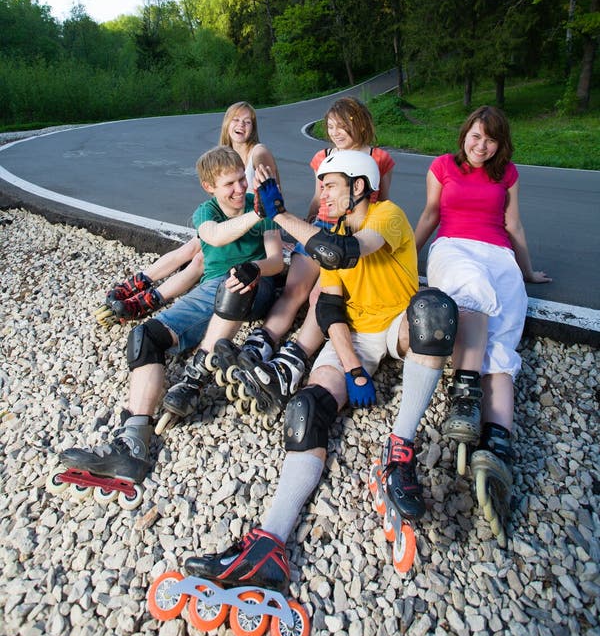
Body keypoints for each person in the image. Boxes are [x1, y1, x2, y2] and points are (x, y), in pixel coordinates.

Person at [182, 150, 457, 589]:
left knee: (435, 311)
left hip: (397, 322)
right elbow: (329, 307)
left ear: (360, 188)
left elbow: (344, 252)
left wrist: (282, 215)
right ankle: (269, 541)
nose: (322, 193)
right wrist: (352, 365)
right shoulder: (332, 228)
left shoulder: (386, 216)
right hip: (358, 333)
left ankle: (398, 450)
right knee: (305, 410)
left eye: (330, 185)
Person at [57, 146, 283, 496]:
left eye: (242, 180)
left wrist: (254, 266)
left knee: (233, 285)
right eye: (230, 185)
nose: (240, 189)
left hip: (256, 285)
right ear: (210, 187)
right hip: (212, 288)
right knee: (144, 338)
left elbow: (276, 261)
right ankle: (132, 442)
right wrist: (256, 214)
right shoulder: (206, 213)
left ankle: (195, 378)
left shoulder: (259, 202)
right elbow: (216, 236)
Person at [413, 105, 551, 544]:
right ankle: (465, 398)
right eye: (475, 136)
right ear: (464, 135)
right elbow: (432, 215)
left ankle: (497, 447)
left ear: (499, 143)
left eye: (490, 139)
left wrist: (526, 270)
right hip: (452, 247)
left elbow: (513, 225)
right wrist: (406, 259)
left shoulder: (506, 175)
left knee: (505, 337)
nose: (481, 145)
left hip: (499, 256)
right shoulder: (441, 167)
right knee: (470, 293)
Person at [213, 97, 395, 419]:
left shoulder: (379, 158)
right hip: (320, 227)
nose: (336, 132)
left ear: (360, 122)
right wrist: (302, 227)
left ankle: (290, 362)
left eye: (343, 125)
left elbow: (382, 203)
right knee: (294, 289)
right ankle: (259, 345)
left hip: (353, 233)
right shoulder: (323, 156)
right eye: (331, 126)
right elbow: (317, 199)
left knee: (320, 297)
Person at [96, 101, 279, 323]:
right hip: (231, 218)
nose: (241, 125)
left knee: (199, 253)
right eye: (236, 119)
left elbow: (271, 192)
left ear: (254, 127)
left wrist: (266, 214)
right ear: (227, 123)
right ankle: (140, 285)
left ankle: (147, 297)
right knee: (197, 249)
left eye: (247, 121)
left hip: (252, 220)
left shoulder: (257, 151)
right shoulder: (223, 155)